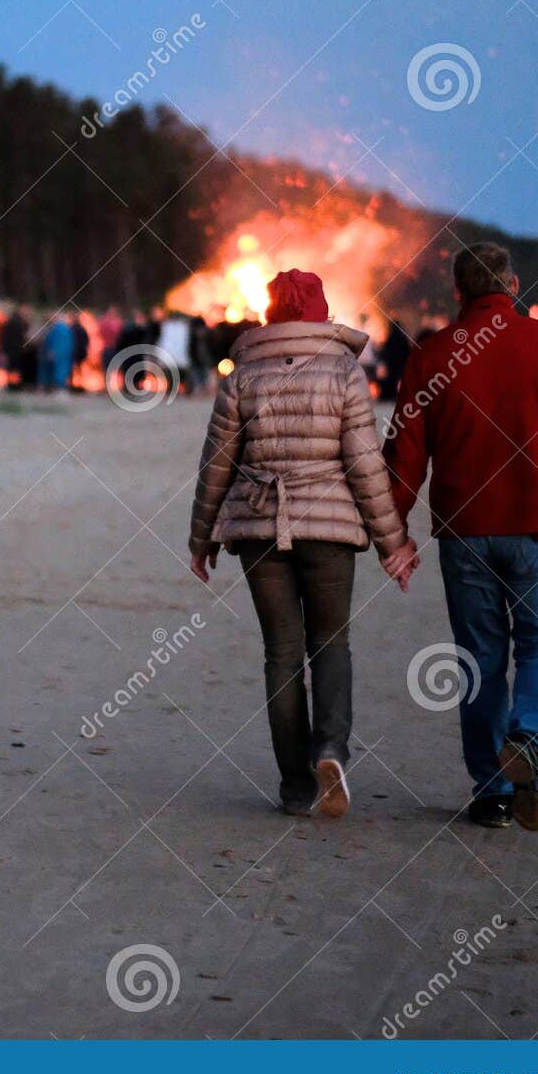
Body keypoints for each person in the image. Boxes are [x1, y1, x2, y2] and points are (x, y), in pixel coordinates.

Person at [383, 243, 538, 831]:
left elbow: (405, 454)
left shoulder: (433, 354)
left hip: (464, 532)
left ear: (458, 291)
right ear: (514, 284)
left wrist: (393, 532)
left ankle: (492, 793)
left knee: (480, 660)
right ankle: (528, 740)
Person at [188, 269, 415, 819]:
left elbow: (217, 463)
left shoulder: (242, 373)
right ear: (319, 310)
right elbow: (365, 466)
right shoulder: (344, 371)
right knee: (331, 645)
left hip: (258, 526)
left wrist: (202, 538)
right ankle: (331, 750)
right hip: (331, 528)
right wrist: (393, 543)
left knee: (282, 655)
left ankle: (294, 787)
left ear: (270, 312)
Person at [40, 316, 74, 392]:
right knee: (61, 371)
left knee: (58, 371)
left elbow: (51, 341)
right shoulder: (65, 329)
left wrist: (52, 351)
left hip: (59, 354)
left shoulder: (57, 329)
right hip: (64, 354)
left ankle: (58, 388)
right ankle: (59, 388)